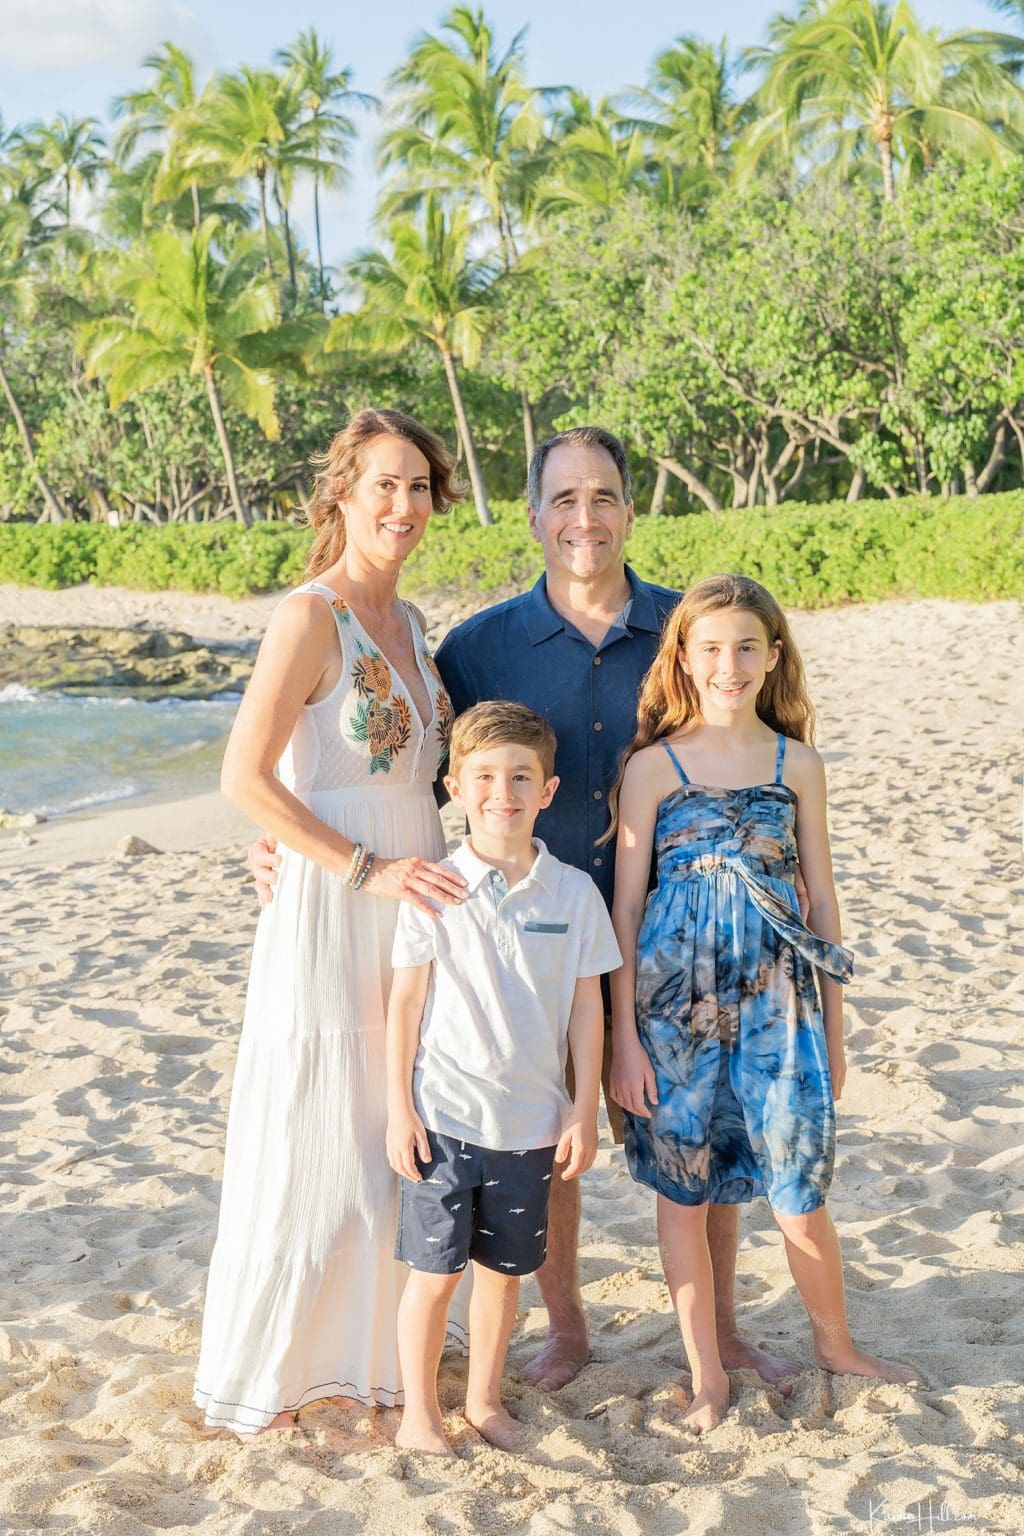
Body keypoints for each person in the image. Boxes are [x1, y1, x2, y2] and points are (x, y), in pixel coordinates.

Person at [250, 426, 803, 1395]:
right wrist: (289, 838)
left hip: (675, 933)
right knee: (535, 1139)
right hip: (519, 935)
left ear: (631, 511)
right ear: (535, 515)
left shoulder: (687, 632)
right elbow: (415, 766)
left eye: (601, 498)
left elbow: (756, 740)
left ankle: (721, 1325)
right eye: (561, 499)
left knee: (703, 1139)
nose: (582, 519)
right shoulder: (474, 646)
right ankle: (568, 1330)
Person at [193, 408, 470, 1437]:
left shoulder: (412, 624)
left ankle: (376, 1359)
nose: (403, 506)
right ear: (342, 495)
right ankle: (290, 1366)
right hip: (338, 898)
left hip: (413, 895)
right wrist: (364, 867)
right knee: (320, 1124)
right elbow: (243, 777)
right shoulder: (310, 617)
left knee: (392, 1118)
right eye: (383, 486)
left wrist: (416, 872)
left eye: (418, 488)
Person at [607, 574, 917, 1434]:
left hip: (782, 1011)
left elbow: (823, 903)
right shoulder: (650, 769)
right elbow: (625, 913)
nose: (728, 664)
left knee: (798, 1193)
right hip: (671, 1017)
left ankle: (837, 1345)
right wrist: (623, 1041)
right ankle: (708, 1374)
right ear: (683, 658)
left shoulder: (797, 764)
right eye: (710, 647)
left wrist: (838, 1034)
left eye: (747, 647)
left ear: (773, 656)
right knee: (684, 1194)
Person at [385, 701, 621, 1454]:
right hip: (445, 1118)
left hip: (532, 1124)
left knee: (501, 1275)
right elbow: (406, 1004)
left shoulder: (575, 893)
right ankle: (419, 1417)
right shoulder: (433, 887)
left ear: (548, 791)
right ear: (454, 787)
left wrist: (582, 1109)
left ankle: (484, 1401)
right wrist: (400, 1108)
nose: (503, 792)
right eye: (484, 776)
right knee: (432, 1275)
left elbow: (589, 1009)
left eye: (521, 776)